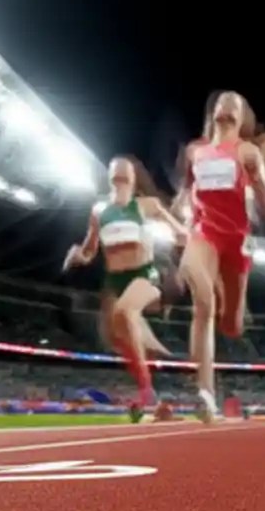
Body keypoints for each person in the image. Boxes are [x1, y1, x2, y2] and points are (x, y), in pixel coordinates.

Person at [176, 90, 265, 422]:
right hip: (204, 232)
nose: (227, 107)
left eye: (235, 105)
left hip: (237, 239)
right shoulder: (195, 151)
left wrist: (260, 182)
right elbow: (185, 191)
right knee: (203, 301)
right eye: (222, 103)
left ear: (243, 118)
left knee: (232, 325)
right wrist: (179, 213)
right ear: (213, 112)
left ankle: (228, 296)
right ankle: (205, 393)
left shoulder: (248, 151)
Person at [65, 156, 186, 408]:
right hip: (115, 280)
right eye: (115, 174)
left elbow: (180, 232)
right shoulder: (99, 212)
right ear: (109, 178)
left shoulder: (146, 206)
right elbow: (90, 251)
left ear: (133, 179)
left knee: (126, 311)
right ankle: (146, 369)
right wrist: (77, 254)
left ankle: (146, 389)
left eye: (124, 175)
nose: (119, 179)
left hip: (144, 274)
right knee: (117, 334)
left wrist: (185, 238)